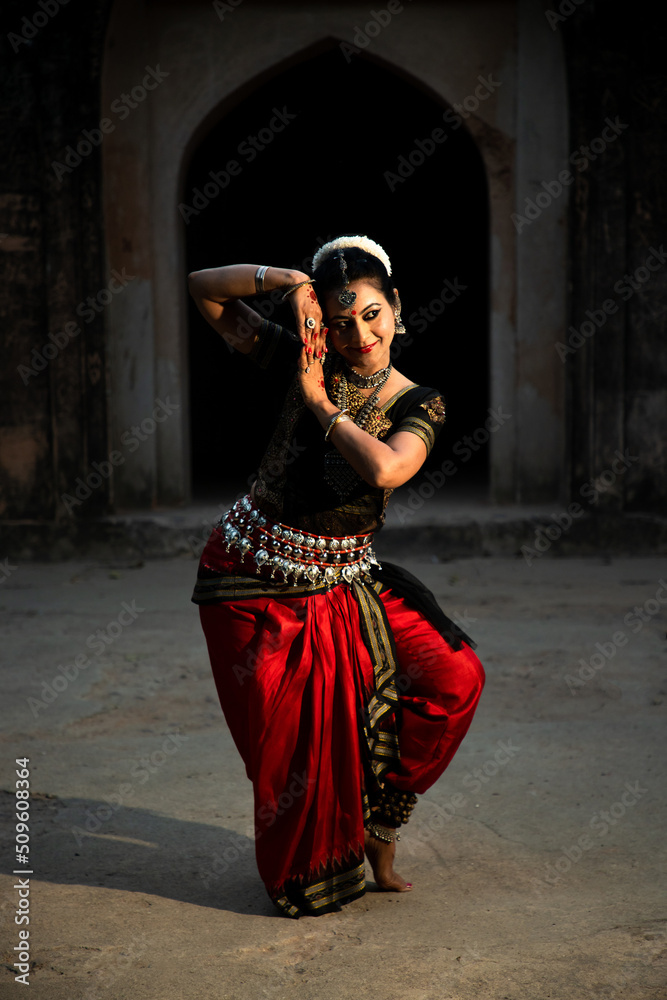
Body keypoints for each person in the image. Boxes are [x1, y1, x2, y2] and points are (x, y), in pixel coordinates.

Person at [188, 235, 485, 919]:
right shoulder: (290, 354)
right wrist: (286, 283)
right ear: (322, 322)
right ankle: (318, 859)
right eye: (340, 321)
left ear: (397, 306)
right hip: (249, 575)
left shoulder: (421, 403)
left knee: (453, 679)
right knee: (290, 761)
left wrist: (319, 403)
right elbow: (204, 286)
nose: (360, 334)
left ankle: (380, 830)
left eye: (373, 314)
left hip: (344, 578)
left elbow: (384, 469)